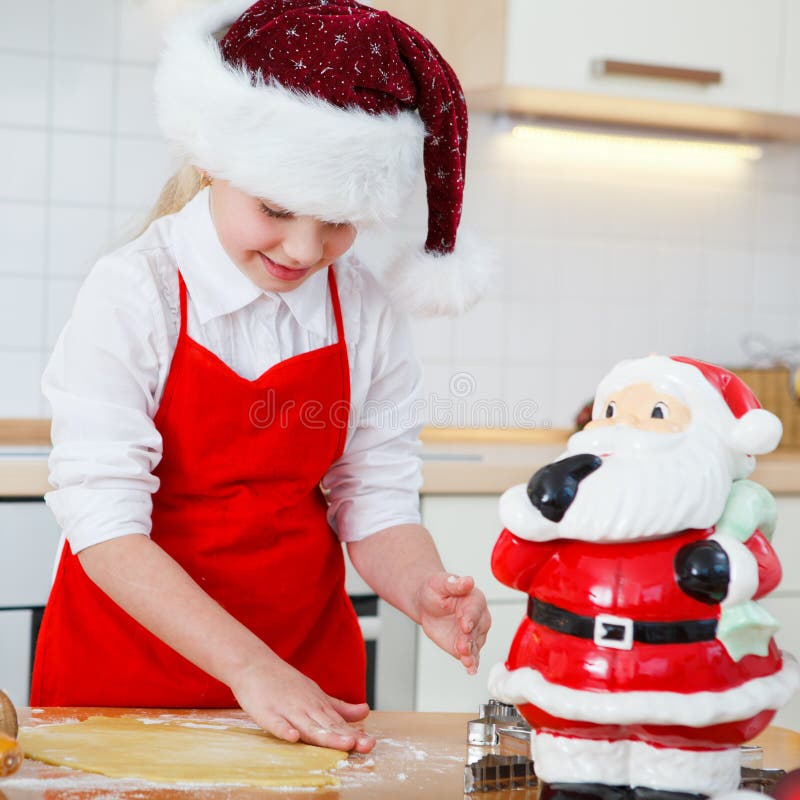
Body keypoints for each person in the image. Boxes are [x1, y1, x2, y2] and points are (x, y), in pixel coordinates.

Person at [31, 0, 494, 755]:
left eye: (339, 221)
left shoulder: (365, 312)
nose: (306, 250)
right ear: (213, 158)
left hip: (304, 680)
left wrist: (421, 589)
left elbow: (376, 499)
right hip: (124, 679)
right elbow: (105, 525)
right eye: (278, 208)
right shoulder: (134, 291)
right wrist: (250, 668)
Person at [489, 355, 799, 799]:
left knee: (674, 786)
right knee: (577, 785)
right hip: (572, 687)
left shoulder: (723, 523)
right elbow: (511, 567)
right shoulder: (568, 517)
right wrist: (538, 512)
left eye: (656, 413)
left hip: (687, 693)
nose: (623, 427)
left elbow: (761, 569)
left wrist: (727, 567)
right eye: (611, 411)